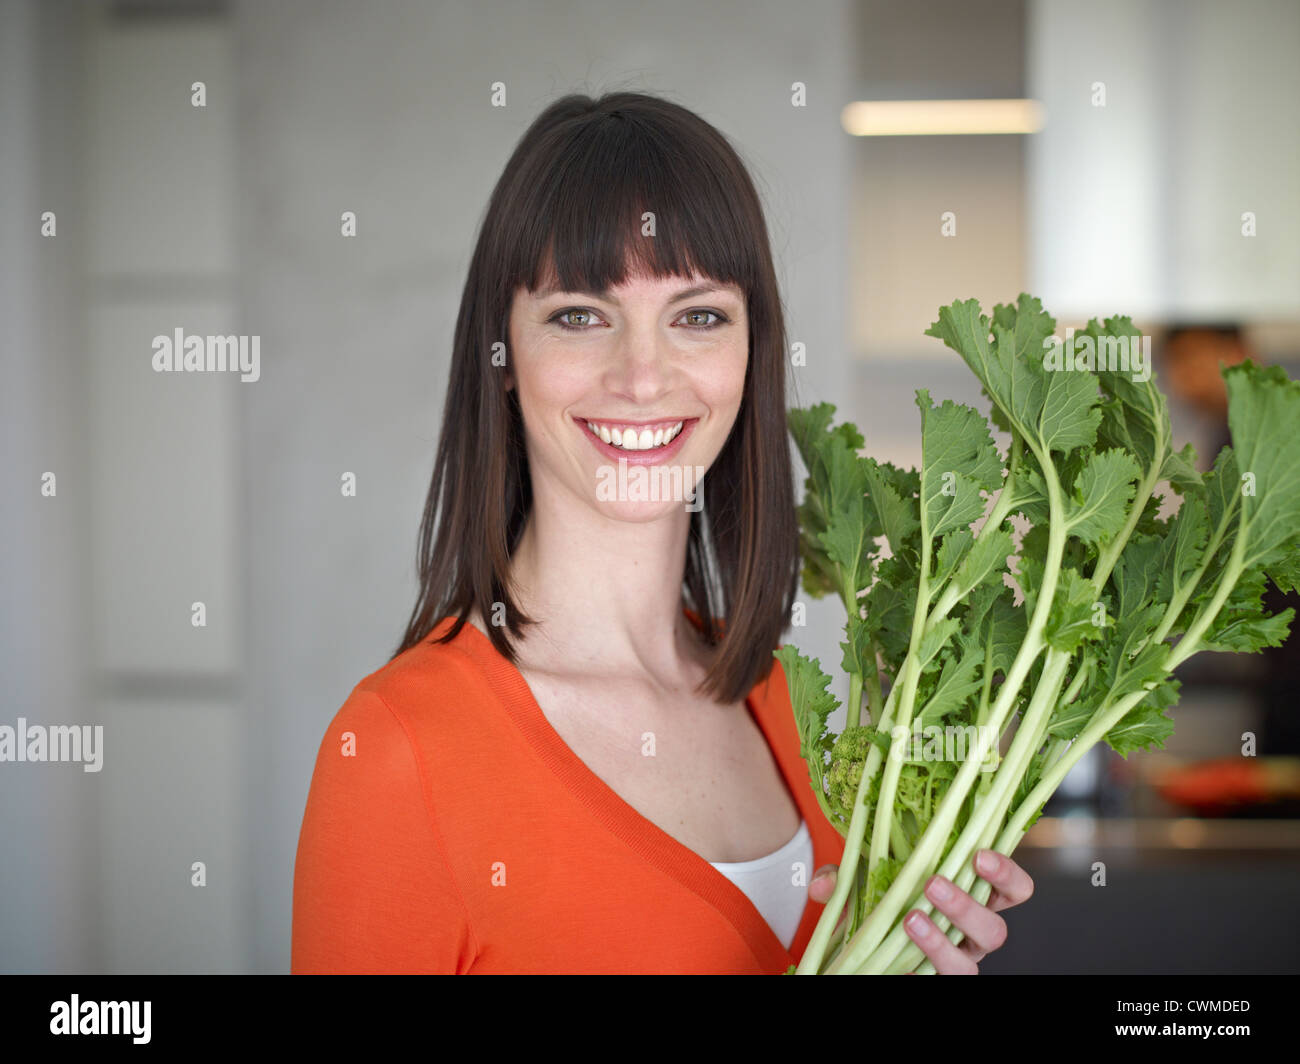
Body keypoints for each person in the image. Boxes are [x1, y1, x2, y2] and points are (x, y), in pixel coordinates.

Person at [290, 90, 1032, 974]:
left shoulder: (783, 705)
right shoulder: (393, 750)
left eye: (698, 316)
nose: (643, 378)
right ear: (501, 356)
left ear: (752, 349)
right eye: (578, 315)